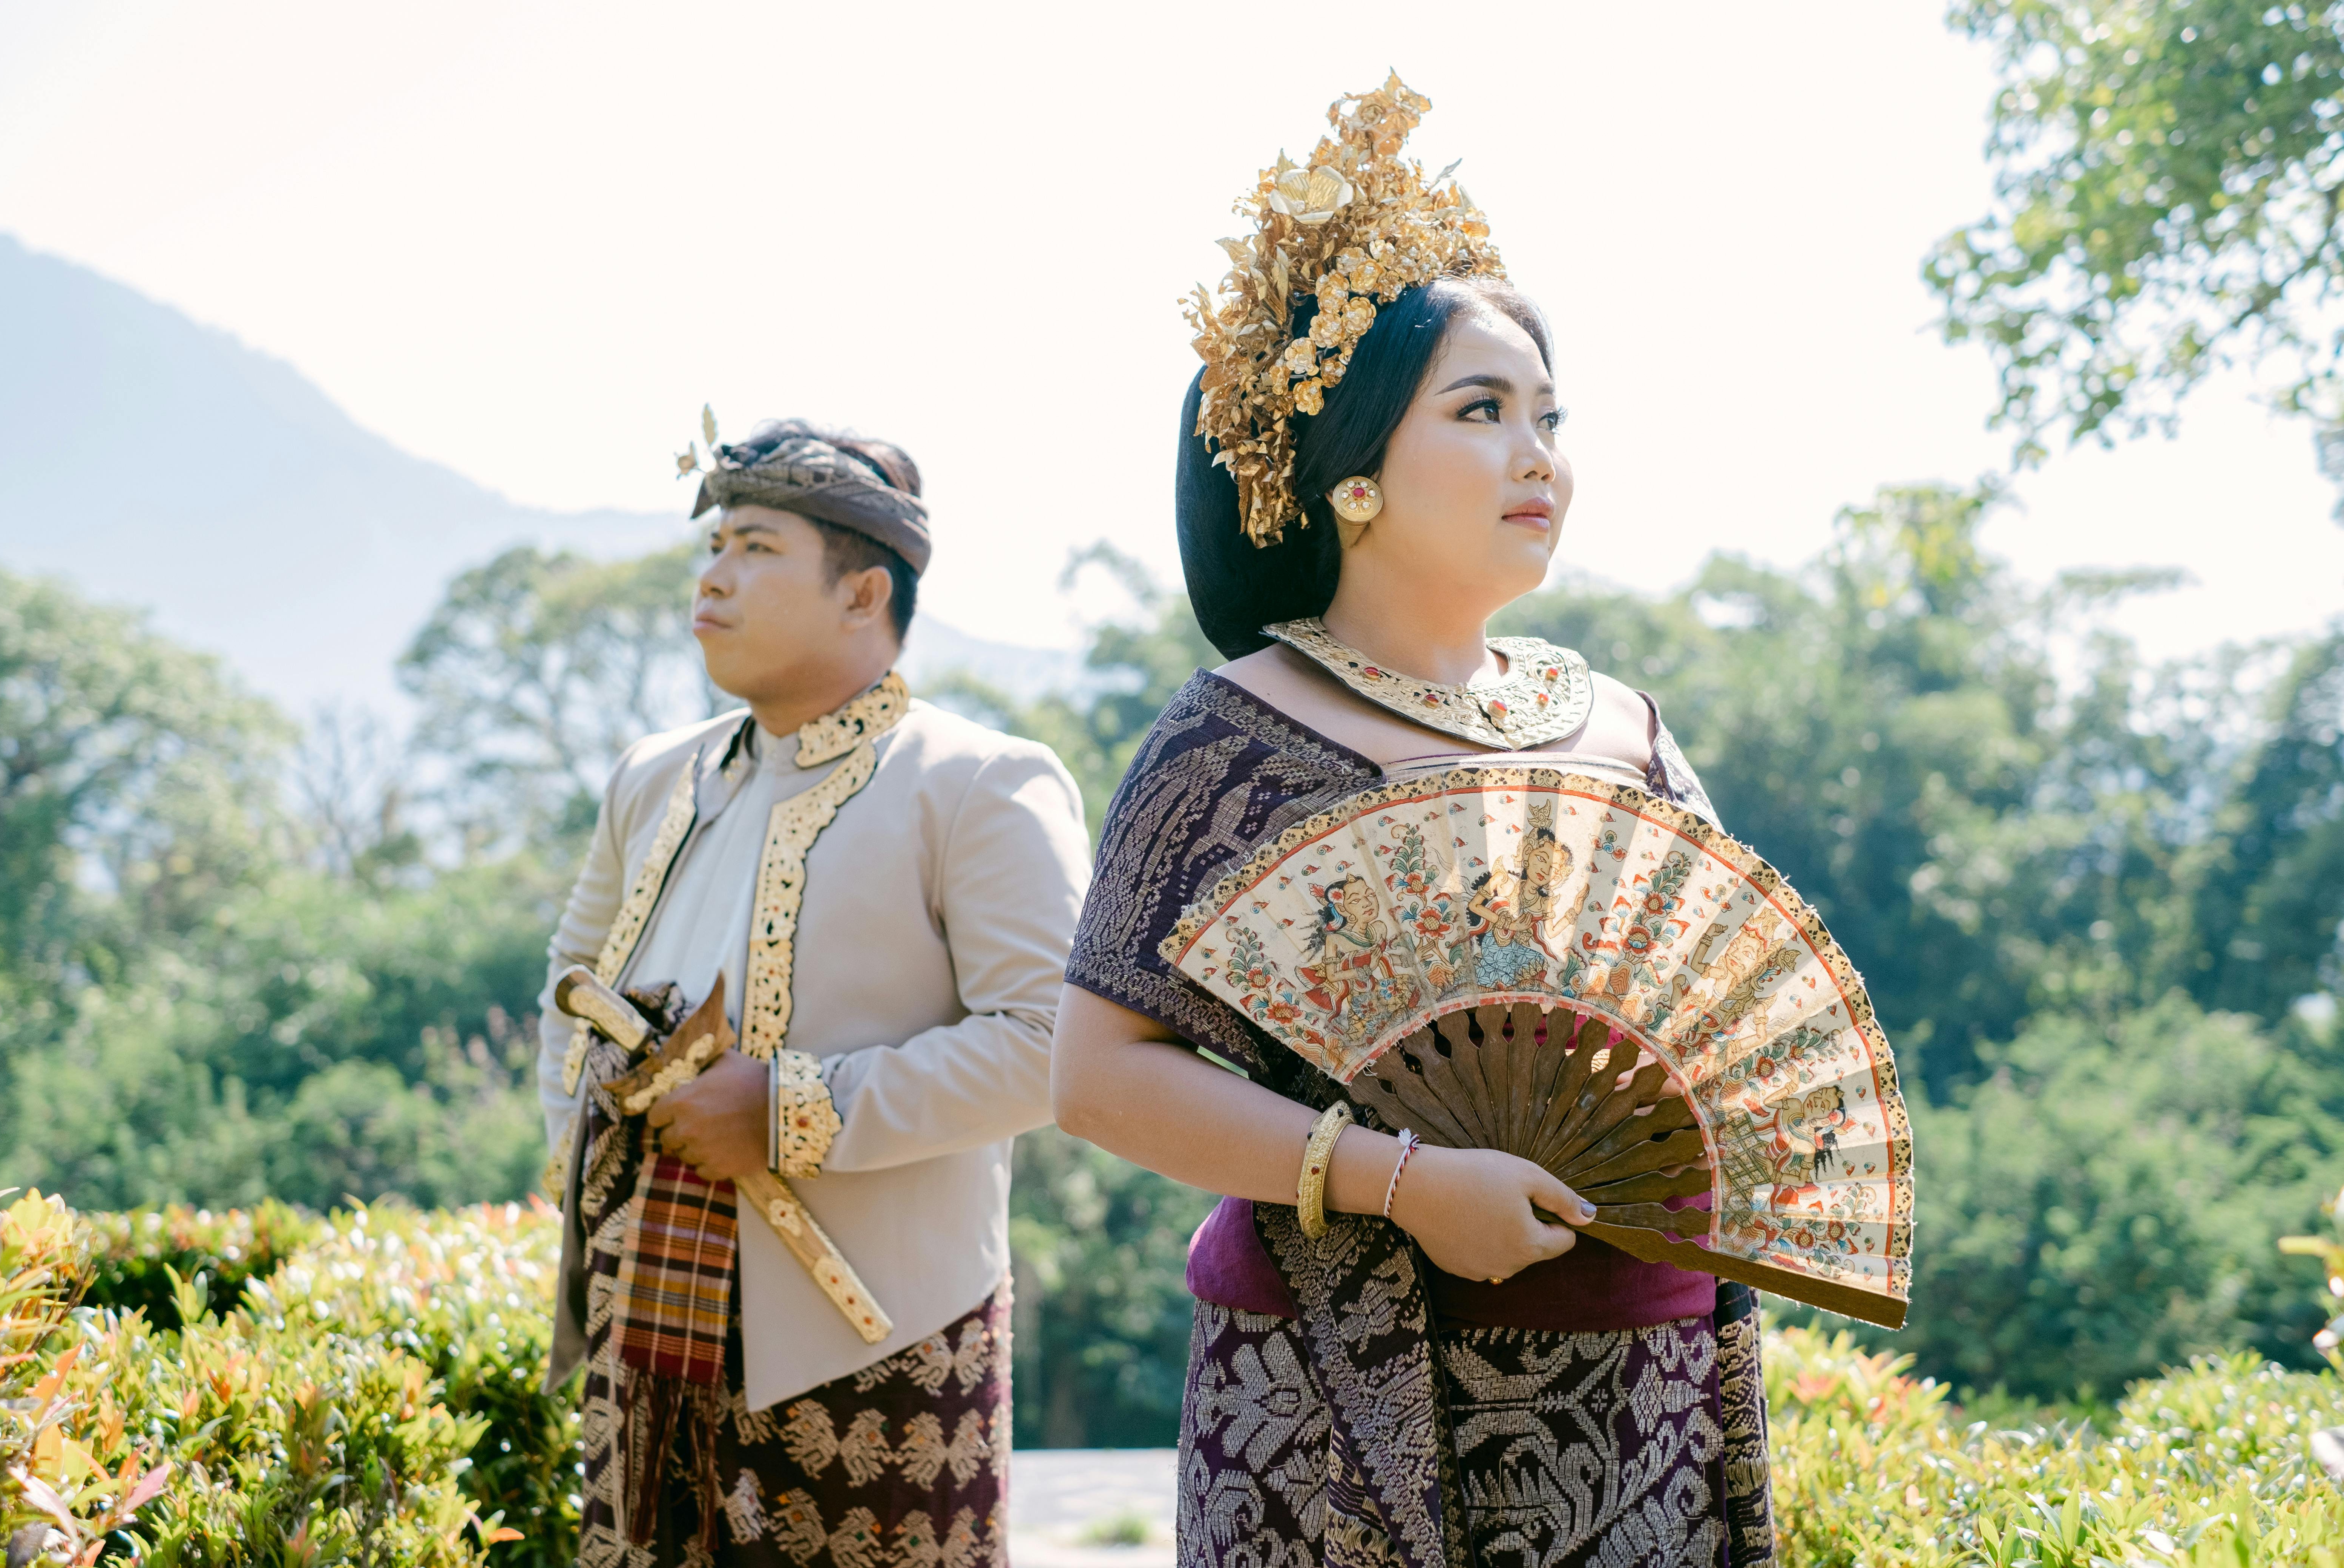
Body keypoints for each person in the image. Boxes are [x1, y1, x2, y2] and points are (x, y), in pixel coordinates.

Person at [1053, 77, 1775, 1568]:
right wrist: (1405, 1179)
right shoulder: (1235, 734)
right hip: (1332, 1393)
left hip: (1643, 1385)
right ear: (1356, 477)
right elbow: (1098, 1076)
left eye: (1552, 416)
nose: (1540, 454)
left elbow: (1744, 1016)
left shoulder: (1621, 723)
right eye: (1485, 411)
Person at [538, 418, 1089, 1568]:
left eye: (755, 547)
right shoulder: (654, 777)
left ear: (863, 594)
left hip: (880, 1352)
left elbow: (1054, 1046)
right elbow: (570, 988)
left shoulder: (980, 783)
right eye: (714, 545)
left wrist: (790, 1111)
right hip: (646, 1332)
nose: (714, 574)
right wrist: (582, 1175)